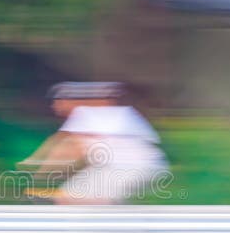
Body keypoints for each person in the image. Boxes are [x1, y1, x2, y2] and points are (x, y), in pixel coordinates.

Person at [19, 81, 168, 205]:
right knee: (78, 195)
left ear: (71, 102)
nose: (55, 107)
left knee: (75, 197)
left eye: (58, 102)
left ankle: (112, 228)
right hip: (145, 166)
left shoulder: (85, 114)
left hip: (126, 168)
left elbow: (66, 150)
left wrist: (37, 173)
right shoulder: (120, 112)